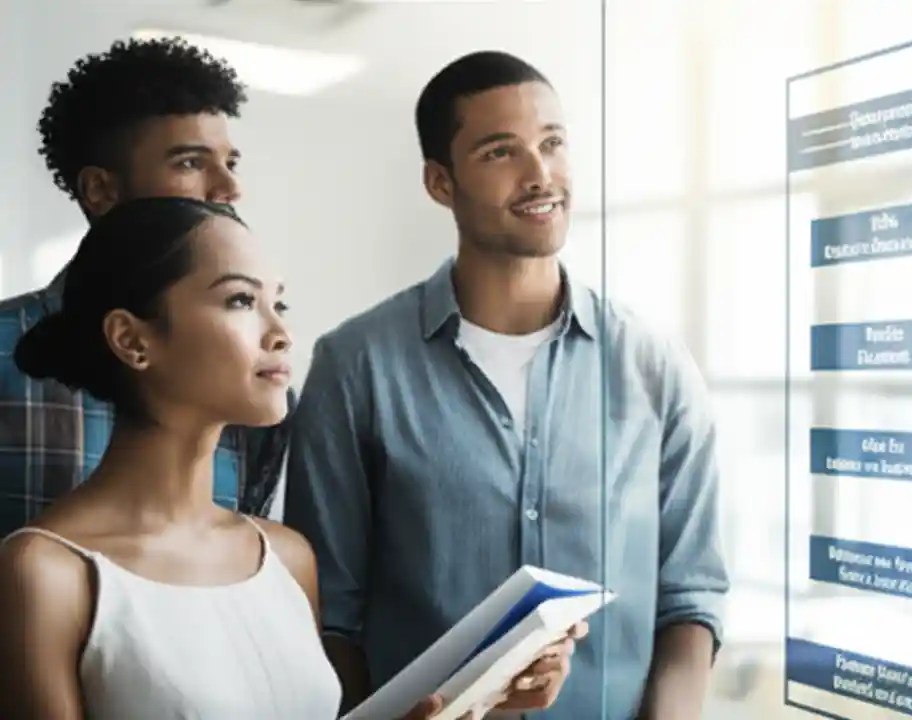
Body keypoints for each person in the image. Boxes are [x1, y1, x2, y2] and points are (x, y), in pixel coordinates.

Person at [284, 50, 729, 719]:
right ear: (440, 182)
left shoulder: (654, 365)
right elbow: (331, 617)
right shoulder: (356, 367)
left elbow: (691, 599)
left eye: (552, 143)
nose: (540, 174)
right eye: (501, 153)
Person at [0, 198, 477, 719]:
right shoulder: (47, 573)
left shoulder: (287, 559)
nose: (281, 333)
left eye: (280, 303)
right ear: (132, 340)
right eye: (240, 301)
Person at [0, 37, 290, 536]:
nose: (228, 188)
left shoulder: (252, 372)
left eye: (230, 162)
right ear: (101, 189)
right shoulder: (4, 350)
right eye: (190, 162)